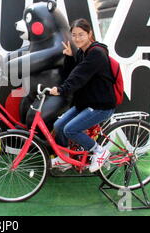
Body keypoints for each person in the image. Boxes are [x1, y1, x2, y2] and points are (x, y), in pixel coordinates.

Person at [48, 18, 116, 173]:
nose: (77, 38)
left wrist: (61, 89)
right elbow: (73, 73)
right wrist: (70, 57)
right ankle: (65, 159)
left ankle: (100, 151)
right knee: (58, 126)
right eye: (74, 35)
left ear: (89, 34)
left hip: (101, 105)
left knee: (70, 130)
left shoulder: (97, 53)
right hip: (86, 103)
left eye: (81, 34)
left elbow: (79, 76)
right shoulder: (81, 53)